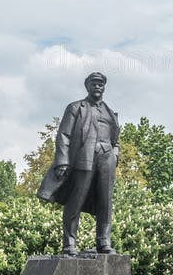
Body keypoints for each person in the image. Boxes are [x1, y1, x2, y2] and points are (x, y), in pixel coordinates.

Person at [37, 72, 119, 255]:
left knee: (105, 202)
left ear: (104, 88)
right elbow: (64, 135)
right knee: (76, 200)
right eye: (93, 84)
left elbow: (116, 139)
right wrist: (62, 161)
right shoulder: (75, 107)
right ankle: (69, 243)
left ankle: (104, 242)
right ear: (87, 86)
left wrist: (115, 154)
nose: (97, 87)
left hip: (106, 158)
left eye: (100, 84)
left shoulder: (110, 112)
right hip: (84, 157)